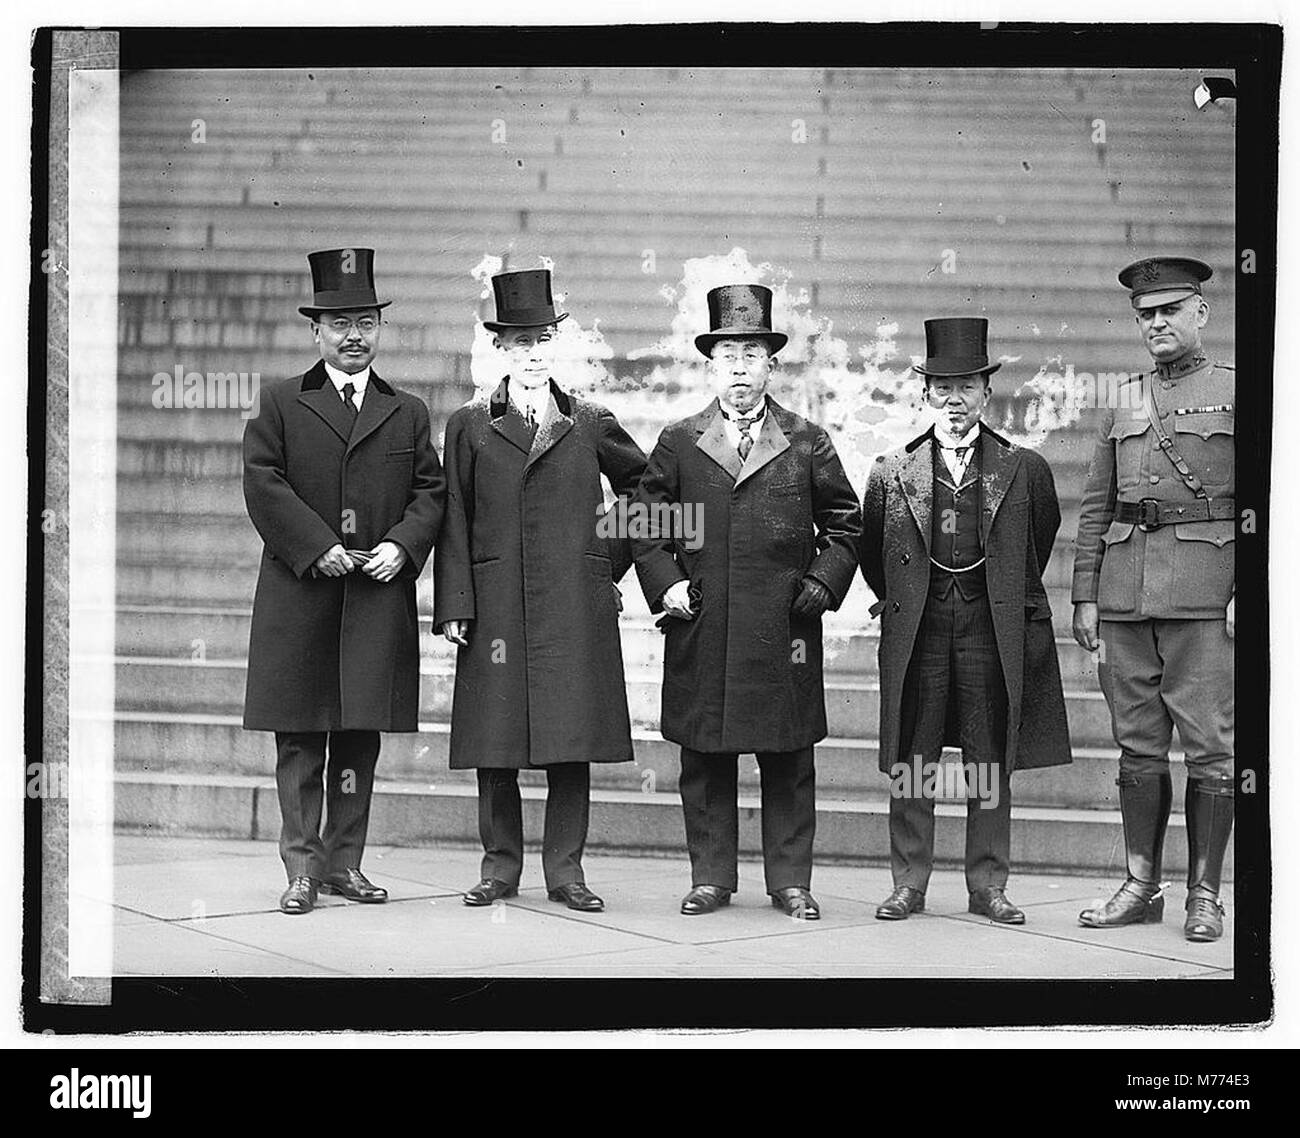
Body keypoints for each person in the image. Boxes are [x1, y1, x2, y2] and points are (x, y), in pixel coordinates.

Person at [632, 283, 861, 919]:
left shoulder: (806, 440)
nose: (739, 366)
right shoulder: (681, 441)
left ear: (770, 365)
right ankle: (711, 877)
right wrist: (667, 583)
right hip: (702, 621)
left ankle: (791, 881)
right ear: (711, 363)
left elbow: (846, 523)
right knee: (704, 758)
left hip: (782, 628)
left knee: (788, 758)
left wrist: (822, 580)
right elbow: (645, 524)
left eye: (752, 353)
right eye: (728, 353)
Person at [434, 268, 647, 912]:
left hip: (571, 602)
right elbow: (454, 515)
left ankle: (566, 872)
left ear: (558, 342)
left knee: (569, 739)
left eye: (541, 341)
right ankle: (499, 868)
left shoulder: (588, 421)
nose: (530, 354)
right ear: (499, 348)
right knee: (494, 743)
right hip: (495, 602)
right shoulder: (469, 425)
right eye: (517, 343)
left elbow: (647, 492)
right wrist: (455, 606)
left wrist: (603, 560)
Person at [243, 247, 445, 914]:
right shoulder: (280, 402)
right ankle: (301, 867)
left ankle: (343, 864)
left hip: (374, 596)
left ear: (379, 329)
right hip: (300, 595)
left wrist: (401, 544)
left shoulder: (407, 411)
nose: (354, 335)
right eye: (339, 323)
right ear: (316, 332)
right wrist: (318, 546)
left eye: (365, 321)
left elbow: (430, 494)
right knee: (300, 738)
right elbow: (263, 485)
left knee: (359, 735)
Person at [860, 317, 1071, 924]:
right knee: (912, 758)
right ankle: (909, 881)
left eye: (967, 388)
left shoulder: (1023, 468)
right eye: (943, 388)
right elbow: (877, 556)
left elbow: (1039, 539)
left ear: (985, 392)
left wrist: (994, 595)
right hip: (919, 632)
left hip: (988, 629)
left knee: (988, 760)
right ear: (925, 393)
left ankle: (987, 885)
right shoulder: (892, 470)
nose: (954, 401)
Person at [1074, 257, 1235, 942]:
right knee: (1137, 747)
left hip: (1205, 595)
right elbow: (1093, 505)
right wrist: (1085, 594)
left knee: (1210, 750)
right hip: (1124, 596)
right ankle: (1142, 885)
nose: (1158, 323)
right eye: (1146, 314)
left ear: (1201, 313)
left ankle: (1205, 895)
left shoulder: (1238, 391)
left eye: (1171, 310)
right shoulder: (1126, 397)